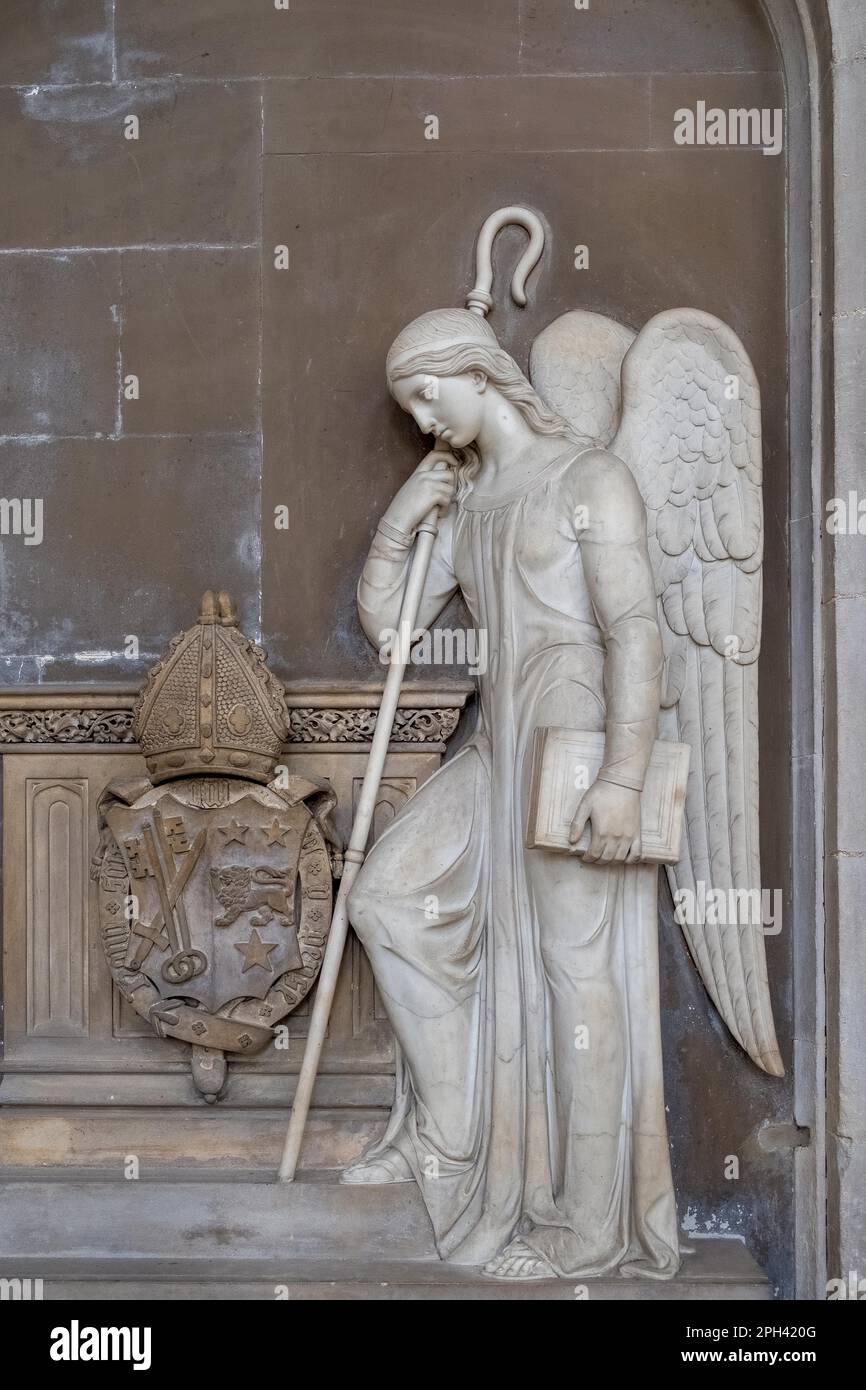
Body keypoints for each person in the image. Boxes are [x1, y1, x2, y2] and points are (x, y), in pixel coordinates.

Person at [343, 307, 679, 1281]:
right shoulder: (475, 503)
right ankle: (452, 1135)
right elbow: (391, 631)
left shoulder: (588, 479)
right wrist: (406, 514)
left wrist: (620, 776)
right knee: (386, 898)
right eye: (403, 402)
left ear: (476, 372)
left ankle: (583, 1222)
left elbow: (636, 632)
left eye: (425, 391)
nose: (419, 415)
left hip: (574, 742)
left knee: (577, 979)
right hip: (500, 745)